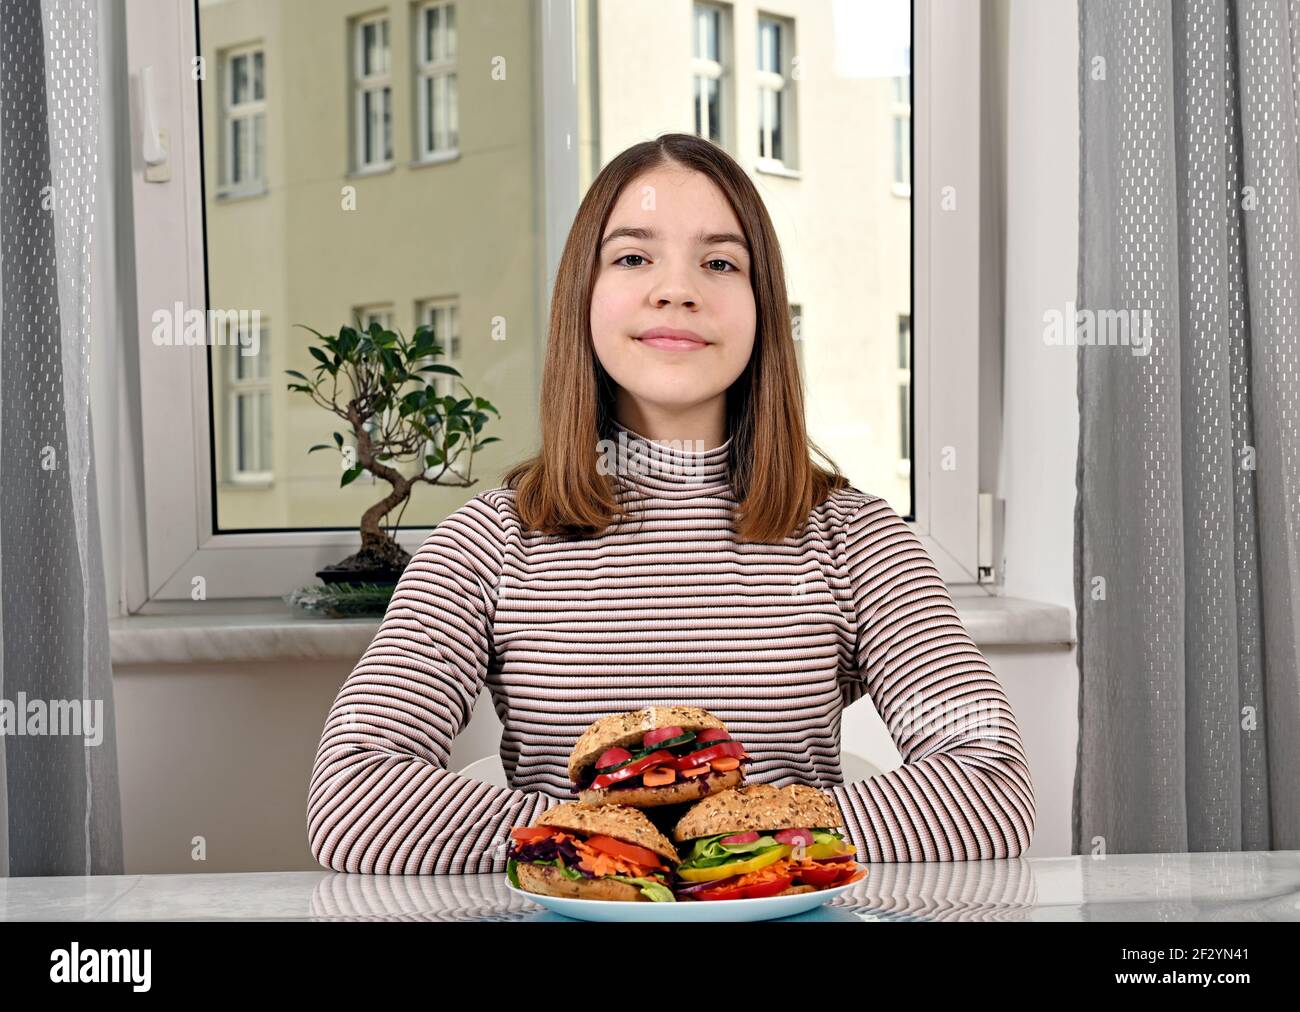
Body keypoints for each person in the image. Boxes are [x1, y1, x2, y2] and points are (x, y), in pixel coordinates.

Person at [306, 133, 1035, 875]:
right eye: (632, 257)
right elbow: (352, 797)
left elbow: (991, 781)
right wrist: (616, 848)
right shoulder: (489, 542)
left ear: (762, 307)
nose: (676, 289)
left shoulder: (855, 537)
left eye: (719, 262)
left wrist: (742, 837)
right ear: (582, 296)